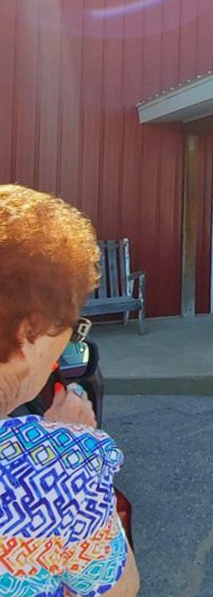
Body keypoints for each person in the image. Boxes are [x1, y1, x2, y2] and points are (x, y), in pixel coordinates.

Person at [0, 184, 139, 597]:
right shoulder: (59, 469)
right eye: (71, 327)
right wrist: (65, 441)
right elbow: (119, 591)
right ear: (30, 330)